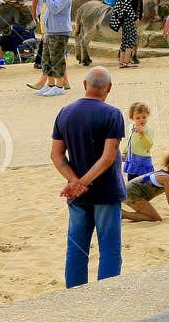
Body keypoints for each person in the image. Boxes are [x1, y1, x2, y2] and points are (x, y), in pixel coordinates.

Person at [51, 67, 127, 288]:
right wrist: (82, 182)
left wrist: (74, 182)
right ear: (109, 88)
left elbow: (56, 154)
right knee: (109, 249)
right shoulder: (112, 114)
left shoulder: (65, 112)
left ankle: (75, 293)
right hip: (106, 191)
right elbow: (108, 156)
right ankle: (106, 292)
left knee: (77, 248)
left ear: (85, 84)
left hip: (77, 195)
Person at [34, 0, 72, 96]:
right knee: (46, 59)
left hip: (59, 32)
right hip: (50, 31)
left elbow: (55, 9)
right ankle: (50, 84)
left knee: (57, 59)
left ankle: (60, 86)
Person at [110, 0, 147, 69]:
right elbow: (126, 4)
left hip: (133, 16)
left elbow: (138, 2)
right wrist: (135, 17)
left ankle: (123, 62)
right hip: (127, 17)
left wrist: (139, 14)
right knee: (131, 38)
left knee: (126, 38)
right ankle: (126, 61)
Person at [122, 102, 154, 179]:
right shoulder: (131, 127)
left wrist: (142, 134)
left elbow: (149, 145)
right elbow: (129, 141)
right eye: (137, 118)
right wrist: (125, 152)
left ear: (147, 116)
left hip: (143, 159)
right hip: (132, 158)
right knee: (131, 180)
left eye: (144, 117)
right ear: (132, 118)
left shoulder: (148, 129)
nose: (141, 120)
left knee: (143, 181)